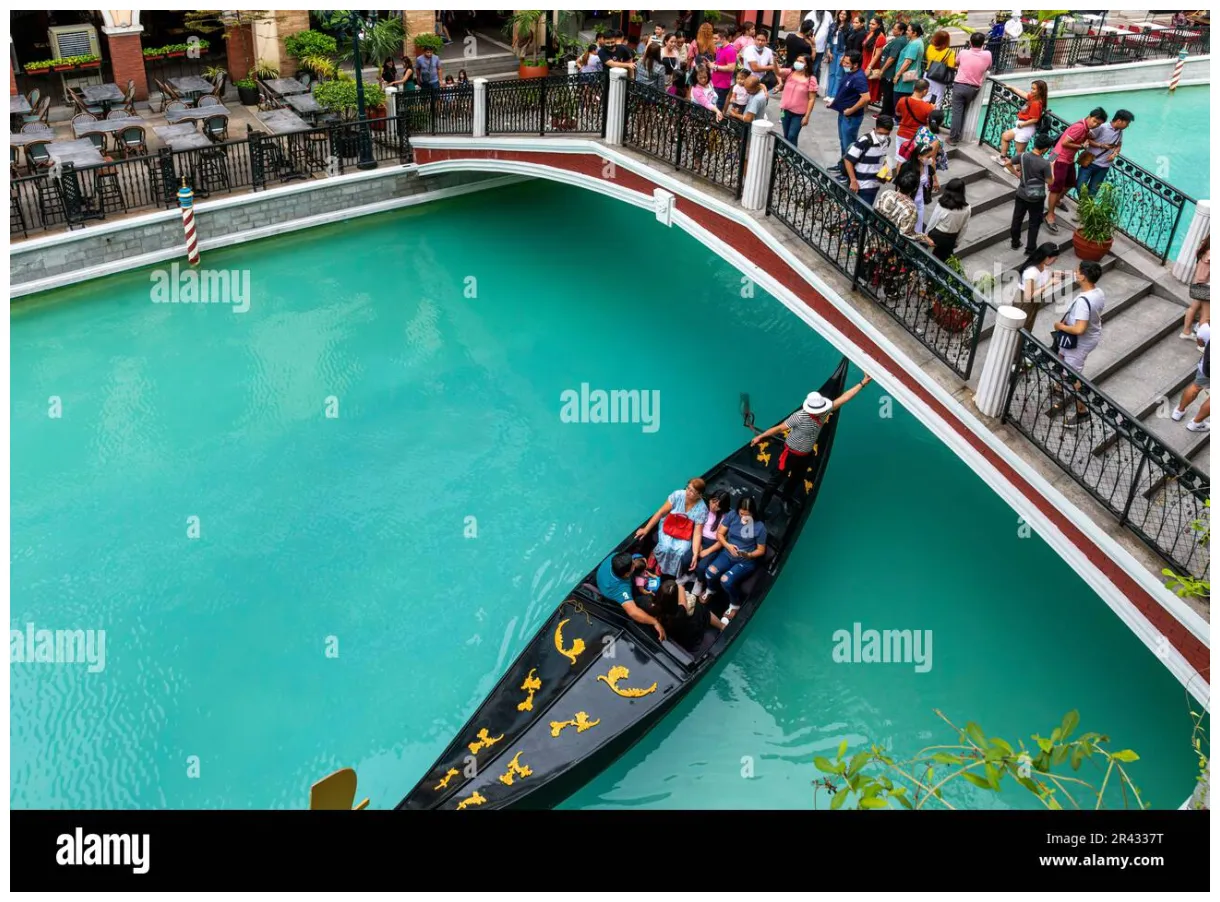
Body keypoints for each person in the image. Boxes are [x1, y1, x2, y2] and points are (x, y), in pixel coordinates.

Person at [753, 378, 872, 516]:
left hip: (806, 454)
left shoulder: (825, 411)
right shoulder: (799, 417)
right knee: (775, 482)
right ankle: (760, 510)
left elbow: (845, 398)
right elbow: (780, 428)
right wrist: (760, 437)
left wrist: (863, 383)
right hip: (790, 453)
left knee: (797, 479)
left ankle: (785, 498)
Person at [1050, 260, 1106, 428]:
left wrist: (1060, 326)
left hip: (1079, 341)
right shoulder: (1098, 292)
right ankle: (1058, 387)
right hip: (1090, 336)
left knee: (1072, 375)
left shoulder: (1083, 301)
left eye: (1077, 271)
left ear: (1083, 276)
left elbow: (1080, 329)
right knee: (1061, 357)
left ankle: (1082, 411)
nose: (1075, 272)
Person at [691, 496, 765, 619]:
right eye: (741, 513)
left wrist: (749, 555)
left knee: (726, 581)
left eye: (747, 515)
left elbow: (761, 550)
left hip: (746, 560)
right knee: (709, 572)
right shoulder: (732, 515)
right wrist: (728, 545)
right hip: (727, 553)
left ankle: (735, 603)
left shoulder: (759, 527)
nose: (743, 517)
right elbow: (720, 534)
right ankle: (711, 589)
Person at [1046, 107, 1107, 234]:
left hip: (1066, 159)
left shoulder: (1085, 128)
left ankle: (1057, 201)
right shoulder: (1080, 127)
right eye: (1095, 121)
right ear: (1089, 116)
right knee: (1055, 188)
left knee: (1070, 183)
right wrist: (1081, 146)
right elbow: (1065, 143)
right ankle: (1050, 215)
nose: (1095, 125)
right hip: (1059, 159)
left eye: (1099, 124)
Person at [634, 479, 709, 579]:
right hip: (670, 526)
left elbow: (697, 533)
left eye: (692, 492)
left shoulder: (702, 508)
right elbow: (661, 512)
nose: (688, 492)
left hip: (684, 533)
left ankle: (662, 566)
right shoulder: (677, 495)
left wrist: (695, 553)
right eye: (688, 488)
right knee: (665, 546)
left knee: (681, 550)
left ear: (699, 495)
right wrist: (646, 529)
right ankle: (655, 555)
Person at [596, 551, 665, 640]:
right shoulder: (620, 589)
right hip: (609, 590)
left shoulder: (616, 559)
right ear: (627, 574)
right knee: (645, 601)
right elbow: (633, 612)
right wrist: (654, 622)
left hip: (603, 576)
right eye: (633, 564)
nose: (635, 562)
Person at [1009, 131, 1054, 253]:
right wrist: (1052, 167)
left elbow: (1007, 163)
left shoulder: (1023, 156)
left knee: (1017, 219)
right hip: (1036, 198)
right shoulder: (1045, 164)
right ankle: (1030, 249)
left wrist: (1017, 174)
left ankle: (1015, 242)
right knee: (1034, 223)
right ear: (1045, 149)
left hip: (1021, 193)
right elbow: (1050, 182)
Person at [1011, 242, 1070, 333]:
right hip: (1025, 302)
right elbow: (1028, 296)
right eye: (1054, 259)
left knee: (1027, 326)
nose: (1055, 261)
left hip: (1035, 301)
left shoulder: (1043, 265)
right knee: (1021, 328)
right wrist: (1049, 284)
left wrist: (1054, 274)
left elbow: (1042, 276)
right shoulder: (1031, 272)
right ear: (1047, 257)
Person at [654, 579, 726, 651]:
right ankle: (722, 626)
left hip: (679, 637)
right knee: (701, 610)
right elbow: (681, 589)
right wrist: (676, 586)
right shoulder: (681, 611)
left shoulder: (656, 609)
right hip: (693, 635)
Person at [1077, 109, 1133, 199]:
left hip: (1104, 166)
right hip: (1090, 162)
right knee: (1080, 185)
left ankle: (1084, 208)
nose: (1128, 126)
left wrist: (1114, 154)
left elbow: (1118, 145)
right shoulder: (1102, 127)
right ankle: (1083, 203)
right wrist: (1101, 145)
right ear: (1119, 120)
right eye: (1127, 123)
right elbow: (1087, 139)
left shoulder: (1120, 132)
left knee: (1093, 190)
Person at [995, 80, 1048, 174]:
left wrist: (1023, 124)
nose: (1031, 90)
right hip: (1021, 126)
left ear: (1040, 91)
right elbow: (1023, 93)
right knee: (1005, 136)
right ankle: (1003, 158)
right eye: (1032, 88)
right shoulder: (1033, 97)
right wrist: (1012, 88)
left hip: (1025, 128)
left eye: (1034, 89)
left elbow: (1035, 119)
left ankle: (1017, 170)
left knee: (1020, 152)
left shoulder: (1036, 103)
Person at [949, 32, 992, 145]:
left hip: (960, 85)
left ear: (971, 42)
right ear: (983, 43)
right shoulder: (987, 54)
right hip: (973, 89)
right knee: (963, 111)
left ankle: (953, 138)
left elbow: (956, 62)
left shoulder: (963, 52)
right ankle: (959, 134)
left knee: (957, 113)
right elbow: (988, 66)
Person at [841, 114, 892, 206]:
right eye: (881, 133)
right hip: (861, 185)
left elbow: (881, 159)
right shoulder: (864, 141)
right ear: (875, 129)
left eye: (886, 134)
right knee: (859, 214)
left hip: (875, 184)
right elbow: (848, 160)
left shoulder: (887, 141)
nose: (883, 136)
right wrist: (853, 181)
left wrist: (885, 173)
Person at [829, 50, 871, 161]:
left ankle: (847, 171)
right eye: (844, 62)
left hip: (851, 117)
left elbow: (866, 98)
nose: (844, 65)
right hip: (843, 114)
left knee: (849, 145)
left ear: (855, 64)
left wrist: (851, 110)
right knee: (843, 141)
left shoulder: (858, 78)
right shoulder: (849, 73)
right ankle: (842, 165)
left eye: (847, 63)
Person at [1171, 324, 1211, 433]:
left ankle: (1179, 411)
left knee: (1196, 387)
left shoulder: (1207, 327)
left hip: (1207, 367)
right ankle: (1196, 423)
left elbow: (1200, 343)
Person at [898, 132, 939, 234]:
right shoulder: (907, 167)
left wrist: (935, 181)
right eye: (928, 156)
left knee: (918, 225)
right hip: (908, 200)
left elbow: (932, 173)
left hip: (920, 201)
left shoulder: (927, 167)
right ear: (919, 157)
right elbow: (900, 183)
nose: (930, 159)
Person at [924, 177, 970, 262]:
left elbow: (933, 221)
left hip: (936, 235)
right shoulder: (967, 208)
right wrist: (957, 241)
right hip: (951, 238)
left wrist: (926, 234)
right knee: (943, 261)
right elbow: (964, 227)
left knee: (929, 258)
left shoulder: (942, 205)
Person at [876, 168, 927, 239]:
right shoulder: (911, 208)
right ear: (915, 189)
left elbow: (877, 211)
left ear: (899, 184)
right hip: (889, 242)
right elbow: (906, 233)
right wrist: (923, 237)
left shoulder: (887, 193)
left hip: (874, 232)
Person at [778, 53, 818, 144]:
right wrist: (774, 62)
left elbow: (812, 99)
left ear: (807, 65)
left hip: (799, 114)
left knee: (792, 136)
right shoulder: (790, 73)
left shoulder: (811, 79)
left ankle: (792, 156)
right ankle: (786, 155)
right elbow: (778, 72)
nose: (798, 63)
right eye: (797, 60)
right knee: (786, 135)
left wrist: (807, 116)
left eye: (801, 61)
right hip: (784, 110)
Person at [871, 21, 908, 118]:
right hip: (890, 71)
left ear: (901, 31)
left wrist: (882, 70)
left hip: (890, 72)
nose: (893, 30)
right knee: (888, 93)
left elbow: (892, 57)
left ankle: (885, 113)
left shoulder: (899, 41)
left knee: (887, 93)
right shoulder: (899, 40)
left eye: (895, 29)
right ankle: (888, 112)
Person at [894, 78, 935, 165]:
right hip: (917, 137)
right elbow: (929, 125)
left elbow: (897, 114)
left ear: (914, 87)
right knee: (916, 161)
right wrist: (933, 110)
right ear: (925, 91)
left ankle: (899, 177)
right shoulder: (928, 107)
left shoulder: (902, 100)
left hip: (901, 134)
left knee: (901, 159)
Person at [892, 22, 925, 121]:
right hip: (911, 74)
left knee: (900, 98)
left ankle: (899, 119)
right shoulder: (917, 41)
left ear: (914, 33)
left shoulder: (915, 44)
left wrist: (897, 75)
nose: (906, 32)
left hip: (906, 75)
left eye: (909, 30)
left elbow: (908, 61)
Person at [1180, 235, 1210, 339]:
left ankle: (1186, 332)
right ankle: (1201, 342)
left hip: (1199, 284)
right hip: (1208, 287)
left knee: (1193, 308)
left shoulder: (1204, 250)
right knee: (1206, 317)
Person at [923, 29, 956, 107]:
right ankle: (933, 116)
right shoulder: (950, 52)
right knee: (937, 98)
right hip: (940, 77)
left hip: (928, 73)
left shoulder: (930, 47)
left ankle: (922, 112)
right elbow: (951, 66)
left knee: (925, 95)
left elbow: (928, 57)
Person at [710, 26, 739, 110]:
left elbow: (731, 68)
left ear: (723, 38)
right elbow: (719, 62)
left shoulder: (730, 50)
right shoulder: (719, 48)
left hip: (722, 85)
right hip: (714, 82)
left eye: (717, 38)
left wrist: (714, 66)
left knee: (717, 108)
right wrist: (710, 64)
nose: (715, 40)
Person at [825, 10, 851, 101]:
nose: (842, 15)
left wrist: (844, 55)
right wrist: (828, 51)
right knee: (831, 73)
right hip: (832, 49)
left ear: (847, 16)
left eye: (844, 14)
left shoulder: (849, 27)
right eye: (841, 13)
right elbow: (829, 39)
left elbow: (848, 43)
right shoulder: (833, 25)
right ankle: (828, 94)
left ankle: (834, 95)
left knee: (838, 74)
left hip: (842, 51)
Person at [861, 16, 887, 107]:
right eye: (870, 23)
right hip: (865, 60)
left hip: (871, 62)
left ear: (879, 25)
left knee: (868, 83)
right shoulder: (870, 33)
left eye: (873, 24)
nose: (870, 25)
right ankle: (861, 104)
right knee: (863, 82)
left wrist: (869, 67)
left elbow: (877, 54)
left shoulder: (881, 37)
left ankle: (864, 106)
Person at [805, 10, 835, 86]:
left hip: (821, 48)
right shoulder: (810, 14)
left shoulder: (828, 15)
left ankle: (814, 87)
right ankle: (809, 86)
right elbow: (805, 29)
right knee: (810, 67)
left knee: (816, 68)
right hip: (810, 47)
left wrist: (828, 47)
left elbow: (831, 30)